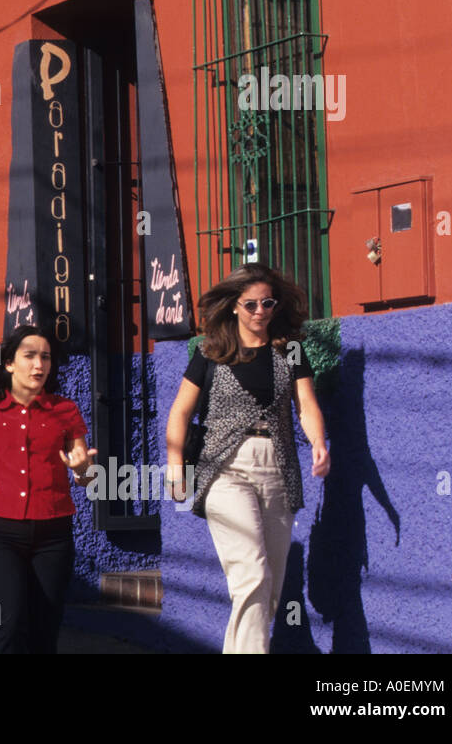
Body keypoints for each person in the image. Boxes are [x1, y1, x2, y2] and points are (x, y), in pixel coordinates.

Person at [165, 263, 331, 653]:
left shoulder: (290, 349)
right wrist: (175, 469)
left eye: (268, 303)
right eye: (252, 304)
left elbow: (305, 404)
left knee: (266, 586)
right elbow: (180, 412)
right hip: (223, 470)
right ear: (235, 306)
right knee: (252, 574)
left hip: (278, 467)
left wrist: (319, 442)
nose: (261, 312)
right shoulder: (210, 353)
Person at [0, 325, 96, 653]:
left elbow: (86, 473)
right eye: (30, 356)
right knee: (3, 626)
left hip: (53, 537)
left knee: (44, 633)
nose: (39, 365)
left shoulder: (65, 411)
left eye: (46, 357)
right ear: (9, 363)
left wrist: (83, 471)